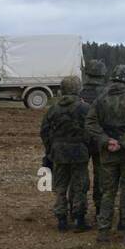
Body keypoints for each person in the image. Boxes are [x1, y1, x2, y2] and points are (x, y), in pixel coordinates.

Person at [86, 64, 125, 243]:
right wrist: (123, 142)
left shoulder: (101, 98)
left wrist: (106, 140)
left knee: (107, 192)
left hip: (108, 153)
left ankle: (103, 231)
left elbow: (90, 123)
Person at [39, 75, 92, 232]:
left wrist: (50, 149)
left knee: (60, 186)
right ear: (77, 88)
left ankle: (62, 220)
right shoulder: (85, 108)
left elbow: (44, 131)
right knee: (80, 186)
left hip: (59, 152)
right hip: (79, 152)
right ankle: (79, 219)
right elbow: (91, 130)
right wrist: (86, 146)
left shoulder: (53, 109)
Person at [80, 59, 110, 222]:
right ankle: (100, 211)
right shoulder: (107, 93)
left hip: (81, 142)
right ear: (102, 74)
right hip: (101, 141)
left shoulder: (79, 93)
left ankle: (78, 212)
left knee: (79, 178)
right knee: (102, 178)